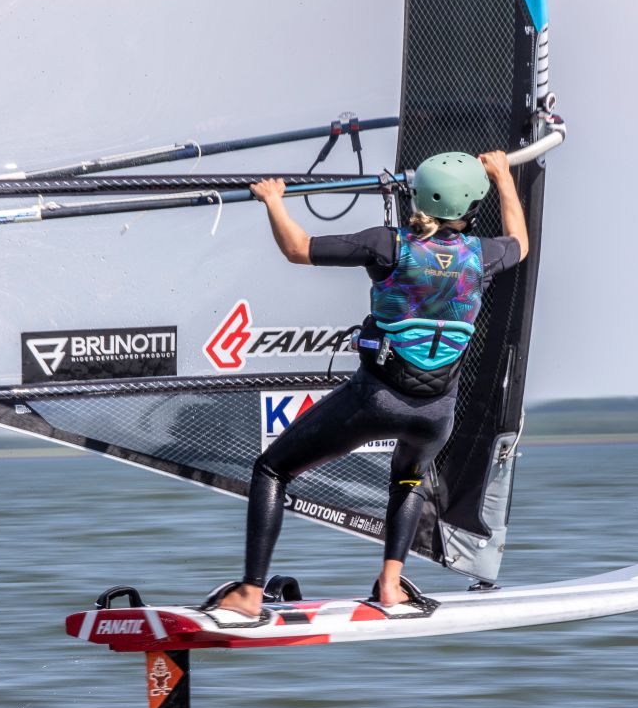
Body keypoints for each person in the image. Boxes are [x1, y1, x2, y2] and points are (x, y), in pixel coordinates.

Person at [207, 151, 528, 620]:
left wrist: (273, 200)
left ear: (416, 196)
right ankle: (391, 586)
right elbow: (520, 240)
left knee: (272, 470)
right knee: (409, 477)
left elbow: (298, 247)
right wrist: (503, 175)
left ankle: (251, 593)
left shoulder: (389, 246)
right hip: (436, 413)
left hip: (377, 400)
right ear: (470, 208)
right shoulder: (484, 255)